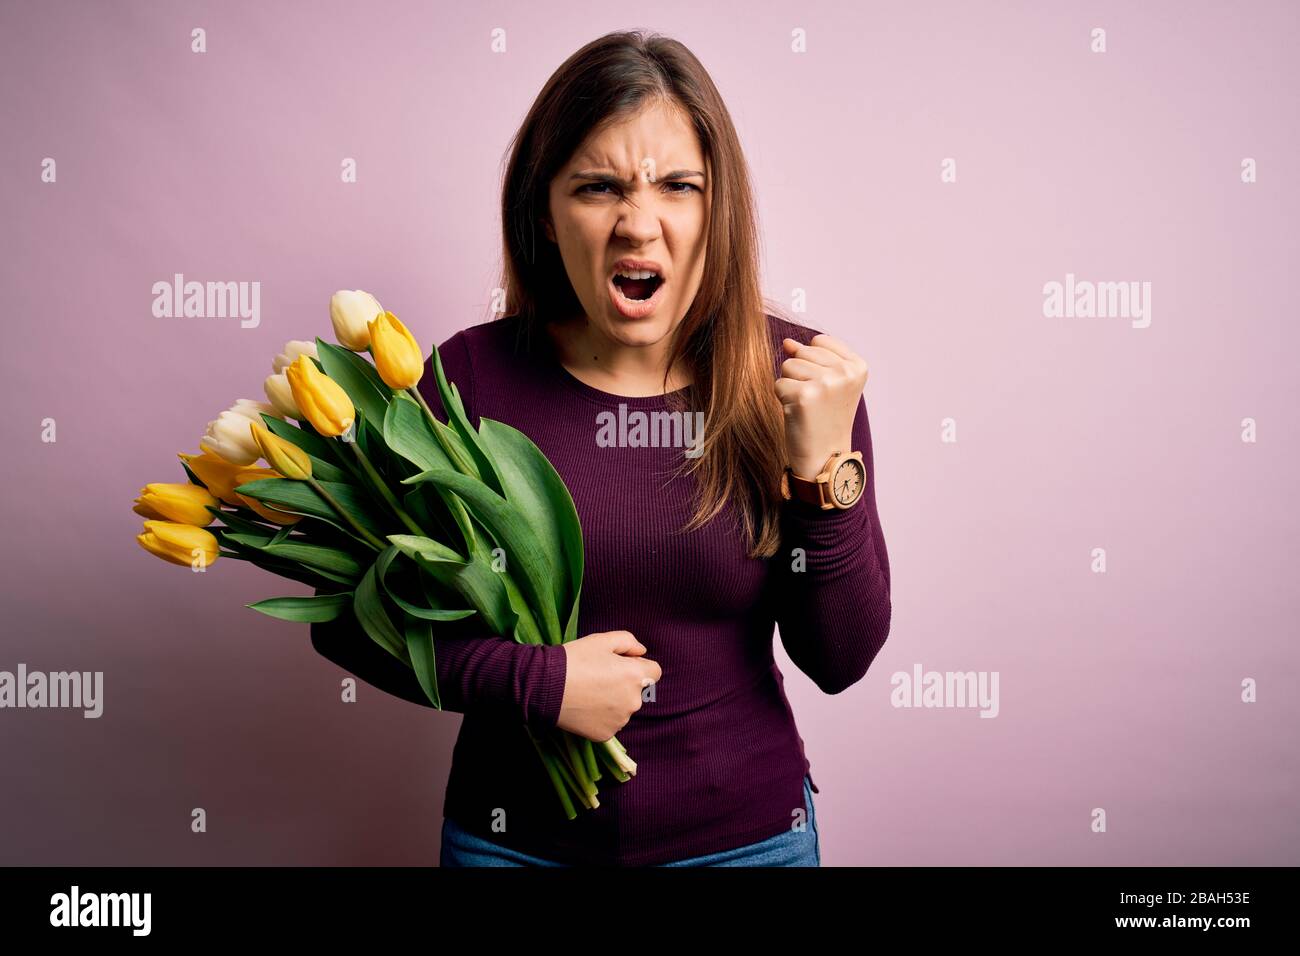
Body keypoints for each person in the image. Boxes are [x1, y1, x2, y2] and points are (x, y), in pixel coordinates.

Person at [310, 29, 891, 867]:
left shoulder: (796, 382)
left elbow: (841, 659)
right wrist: (536, 684)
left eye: (678, 186)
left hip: (746, 845)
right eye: (598, 187)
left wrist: (825, 472)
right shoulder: (467, 379)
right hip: (514, 847)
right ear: (544, 214)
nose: (638, 223)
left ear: (715, 210)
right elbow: (350, 622)